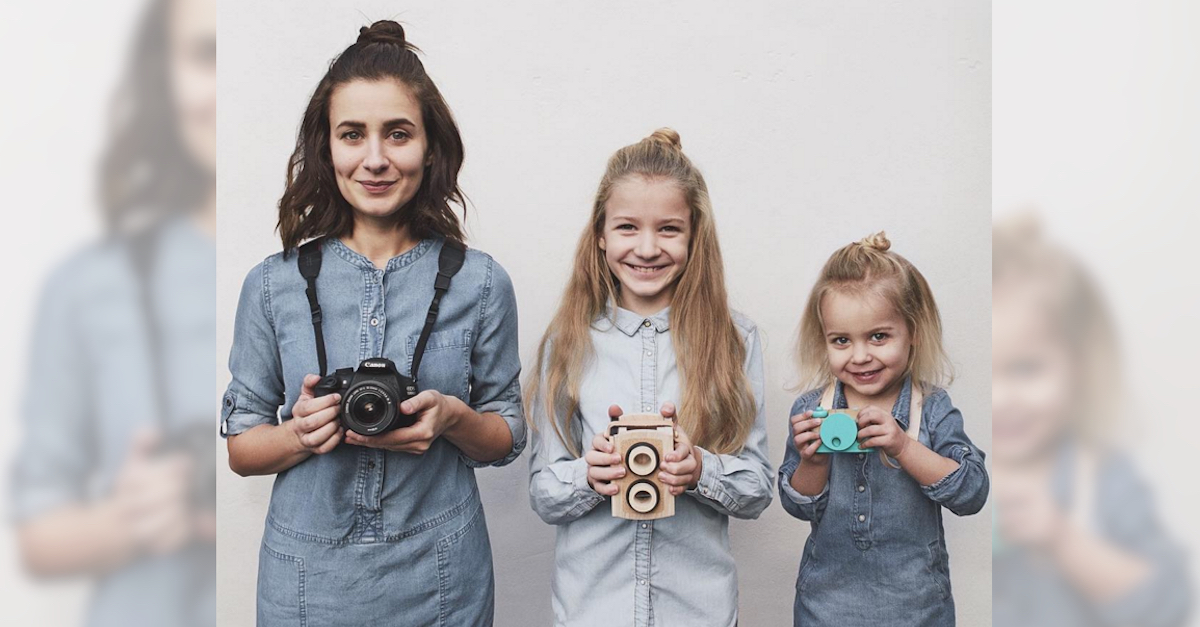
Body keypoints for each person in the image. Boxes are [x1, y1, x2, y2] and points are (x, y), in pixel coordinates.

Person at [221, 21, 524, 625]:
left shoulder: (481, 282)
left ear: (430, 147)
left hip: (442, 575)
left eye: (399, 134)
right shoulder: (273, 284)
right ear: (327, 147)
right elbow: (241, 448)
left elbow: (508, 435)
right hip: (306, 582)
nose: (376, 159)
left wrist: (453, 417)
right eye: (353, 134)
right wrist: (300, 434)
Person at [11, 0, 216, 625]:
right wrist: (137, 518)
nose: (229, 87)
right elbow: (37, 535)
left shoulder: (346, 275)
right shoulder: (90, 285)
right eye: (206, 55)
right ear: (163, 77)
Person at [526, 129, 773, 627]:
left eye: (668, 229)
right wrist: (590, 475)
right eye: (626, 227)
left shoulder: (734, 340)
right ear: (600, 233)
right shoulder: (568, 341)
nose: (646, 247)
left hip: (698, 613)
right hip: (593, 612)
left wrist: (700, 469)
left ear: (694, 235)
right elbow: (544, 492)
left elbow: (758, 486)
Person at [778, 232, 988, 625]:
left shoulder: (931, 408)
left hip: (919, 611)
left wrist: (904, 446)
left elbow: (972, 493)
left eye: (878, 336)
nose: (860, 356)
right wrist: (813, 462)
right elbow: (797, 506)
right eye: (841, 340)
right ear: (823, 340)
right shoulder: (812, 410)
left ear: (914, 332)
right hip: (825, 610)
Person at [991, 213, 1189, 626]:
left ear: (1078, 367)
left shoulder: (1103, 478)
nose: (1002, 399)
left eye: (1026, 368)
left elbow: (1166, 604)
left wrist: (1062, 538)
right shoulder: (950, 462)